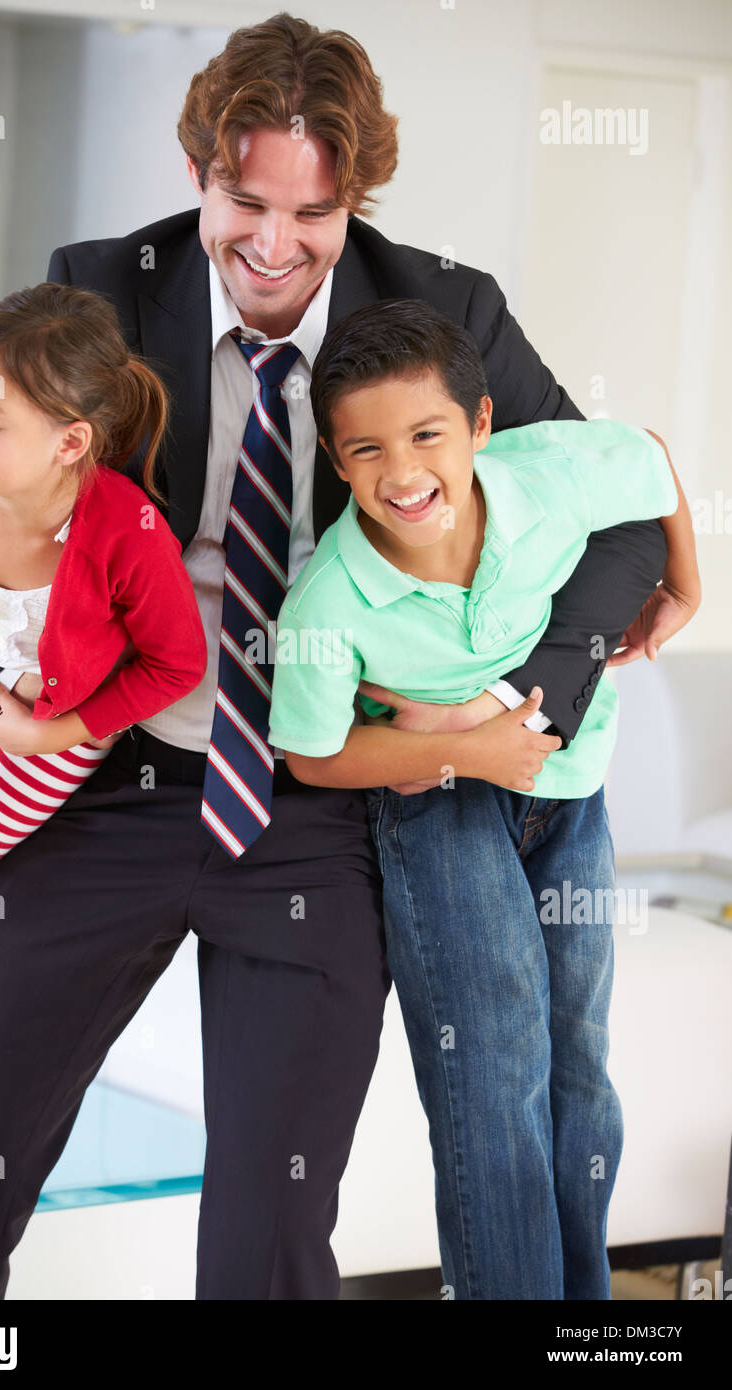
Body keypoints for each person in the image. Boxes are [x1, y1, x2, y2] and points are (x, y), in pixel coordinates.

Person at [0, 14, 697, 1299]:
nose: (270, 244)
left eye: (310, 215)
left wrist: (520, 700)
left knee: (268, 1239)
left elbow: (617, 513)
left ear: (354, 198)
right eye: (240, 200)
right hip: (105, 786)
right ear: (198, 171)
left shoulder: (441, 306)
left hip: (315, 808)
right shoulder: (98, 287)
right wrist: (1, 687)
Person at [267, 298, 698, 1299]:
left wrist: (684, 578)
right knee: (494, 1073)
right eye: (365, 450)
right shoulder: (329, 599)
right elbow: (312, 753)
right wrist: (465, 751)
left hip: (571, 799)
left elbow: (645, 454)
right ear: (337, 461)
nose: (402, 473)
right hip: (439, 814)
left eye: (426, 436)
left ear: (480, 427)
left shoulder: (539, 477)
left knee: (579, 1068)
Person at [0, 282, 206, 1135]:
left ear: (70, 440)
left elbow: (177, 662)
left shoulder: (124, 527)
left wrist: (58, 730)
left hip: (50, 738)